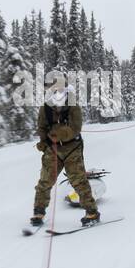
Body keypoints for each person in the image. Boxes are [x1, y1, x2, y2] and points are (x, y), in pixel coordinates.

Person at [31, 71, 100, 227]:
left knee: (79, 182)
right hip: (52, 149)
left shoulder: (73, 104)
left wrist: (59, 134)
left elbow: (76, 127)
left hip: (72, 149)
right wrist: (43, 141)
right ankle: (38, 212)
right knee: (44, 182)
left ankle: (92, 212)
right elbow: (42, 126)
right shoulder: (45, 107)